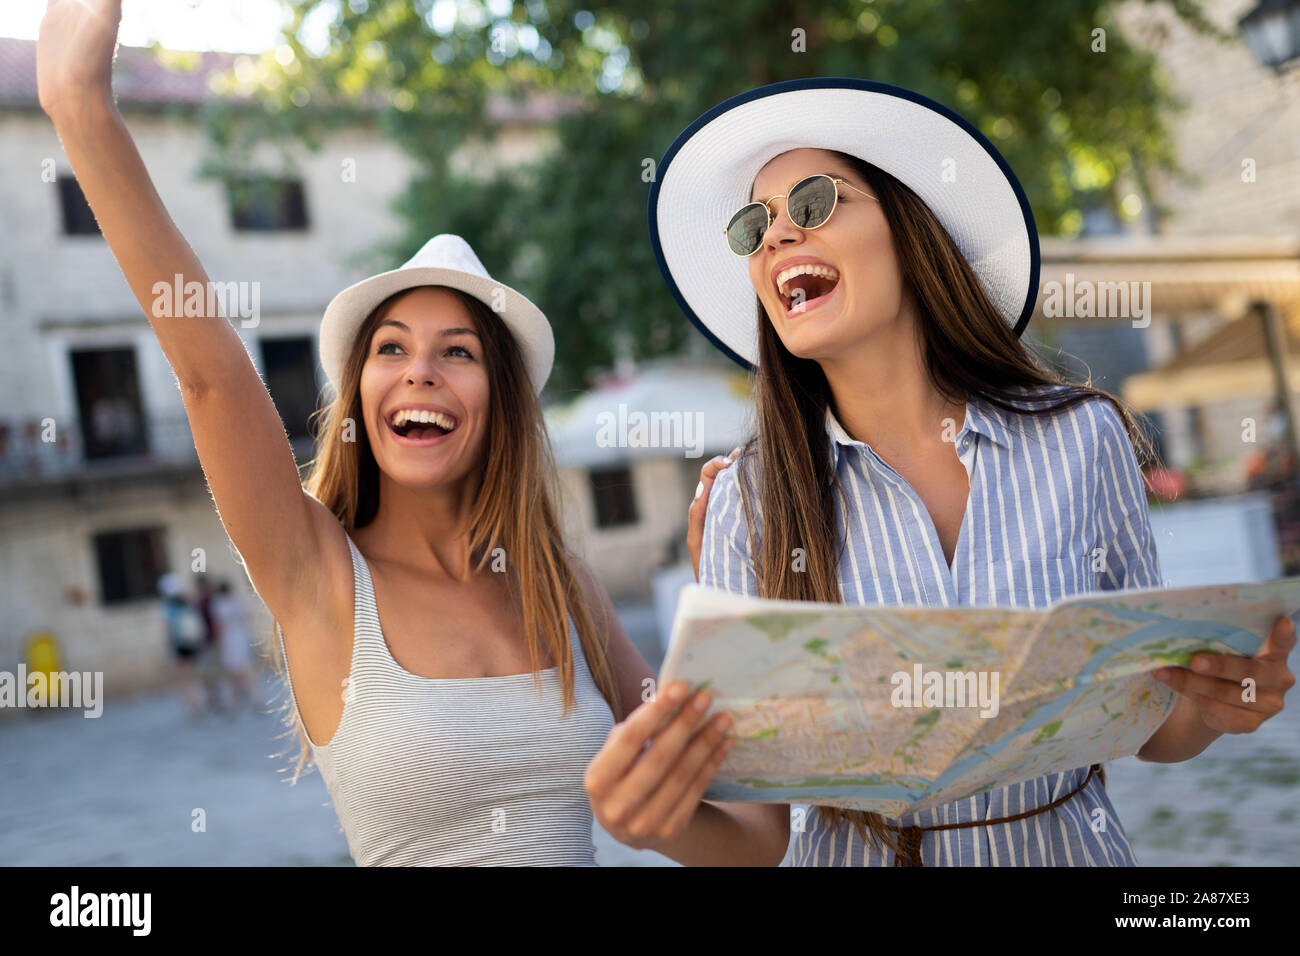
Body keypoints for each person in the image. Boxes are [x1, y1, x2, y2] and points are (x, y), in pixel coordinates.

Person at [38, 0, 776, 866]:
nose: (419, 369)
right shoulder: (315, 571)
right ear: (358, 398)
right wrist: (82, 109)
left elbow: (751, 842)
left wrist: (725, 627)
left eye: (456, 351)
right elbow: (211, 379)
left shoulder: (563, 584)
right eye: (390, 348)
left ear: (498, 400)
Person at [589, 77, 1297, 866]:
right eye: (754, 226)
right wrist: (648, 822)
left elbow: (1149, 719)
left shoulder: (1083, 438)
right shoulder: (746, 506)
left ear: (910, 228)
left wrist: (1219, 702)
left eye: (815, 204)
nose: (777, 237)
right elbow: (758, 832)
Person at [158, 573, 205, 720]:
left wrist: (168, 650)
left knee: (183, 679)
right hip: (192, 644)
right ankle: (201, 701)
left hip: (179, 647)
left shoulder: (167, 607)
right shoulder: (187, 603)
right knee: (192, 675)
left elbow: (168, 631)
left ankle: (193, 707)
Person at [210, 580, 257, 713]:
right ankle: (255, 698)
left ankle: (233, 703)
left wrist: (220, 645)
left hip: (229, 642)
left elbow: (220, 627)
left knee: (231, 674)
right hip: (242, 638)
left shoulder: (219, 605)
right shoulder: (238, 601)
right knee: (247, 670)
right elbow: (247, 619)